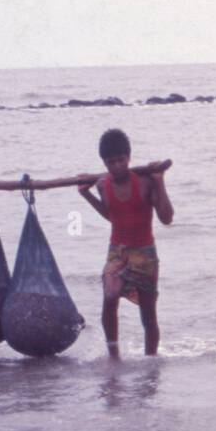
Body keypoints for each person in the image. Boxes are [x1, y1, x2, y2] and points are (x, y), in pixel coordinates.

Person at [77, 129, 174, 358]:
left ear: (129, 158)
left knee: (148, 314)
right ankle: (114, 356)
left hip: (145, 253)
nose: (118, 166)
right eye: (112, 162)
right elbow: (113, 216)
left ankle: (152, 362)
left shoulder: (145, 182)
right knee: (110, 295)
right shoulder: (103, 185)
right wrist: (87, 195)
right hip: (117, 251)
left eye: (122, 160)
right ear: (105, 163)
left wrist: (159, 182)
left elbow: (167, 218)